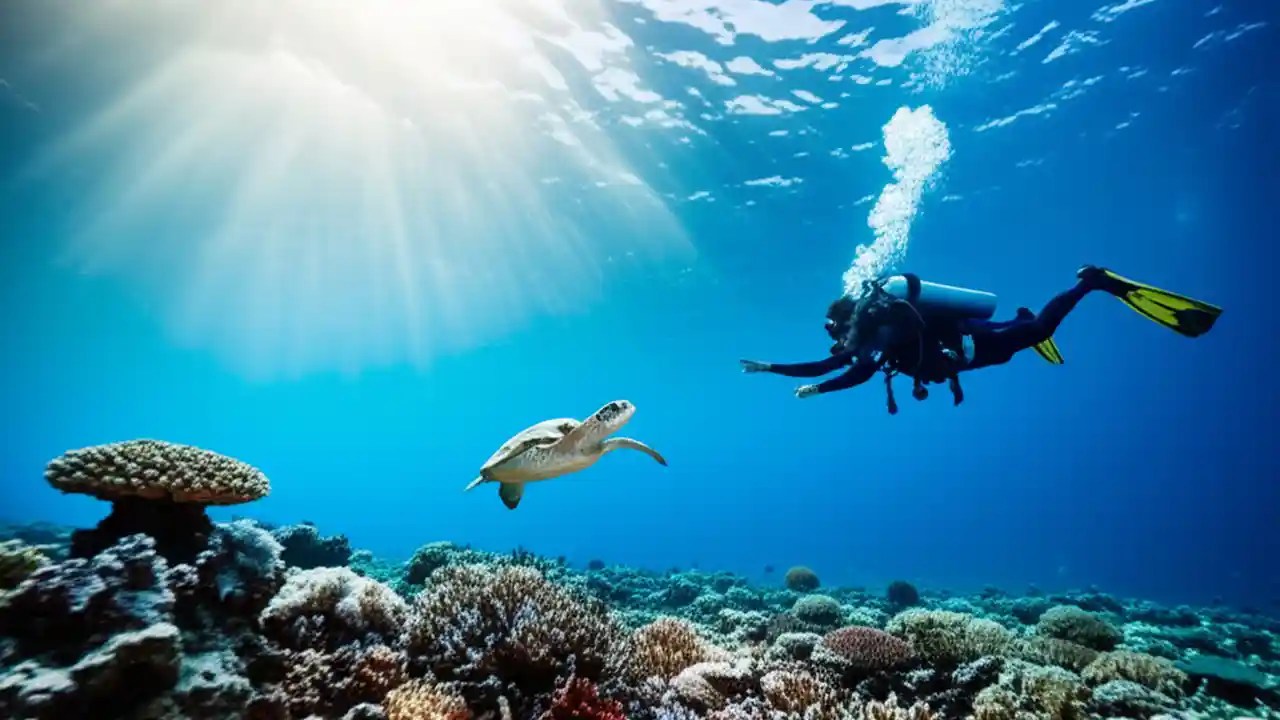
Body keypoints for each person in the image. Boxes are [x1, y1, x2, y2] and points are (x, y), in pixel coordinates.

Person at [740, 265, 1222, 413]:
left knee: (1038, 332)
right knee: (1013, 348)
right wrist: (770, 370)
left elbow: (852, 375)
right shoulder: (873, 336)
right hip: (967, 357)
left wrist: (813, 387)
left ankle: (1092, 281)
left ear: (850, 319)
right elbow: (837, 367)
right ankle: (1020, 318)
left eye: (835, 328)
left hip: (969, 345)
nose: (835, 338)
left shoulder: (880, 331)